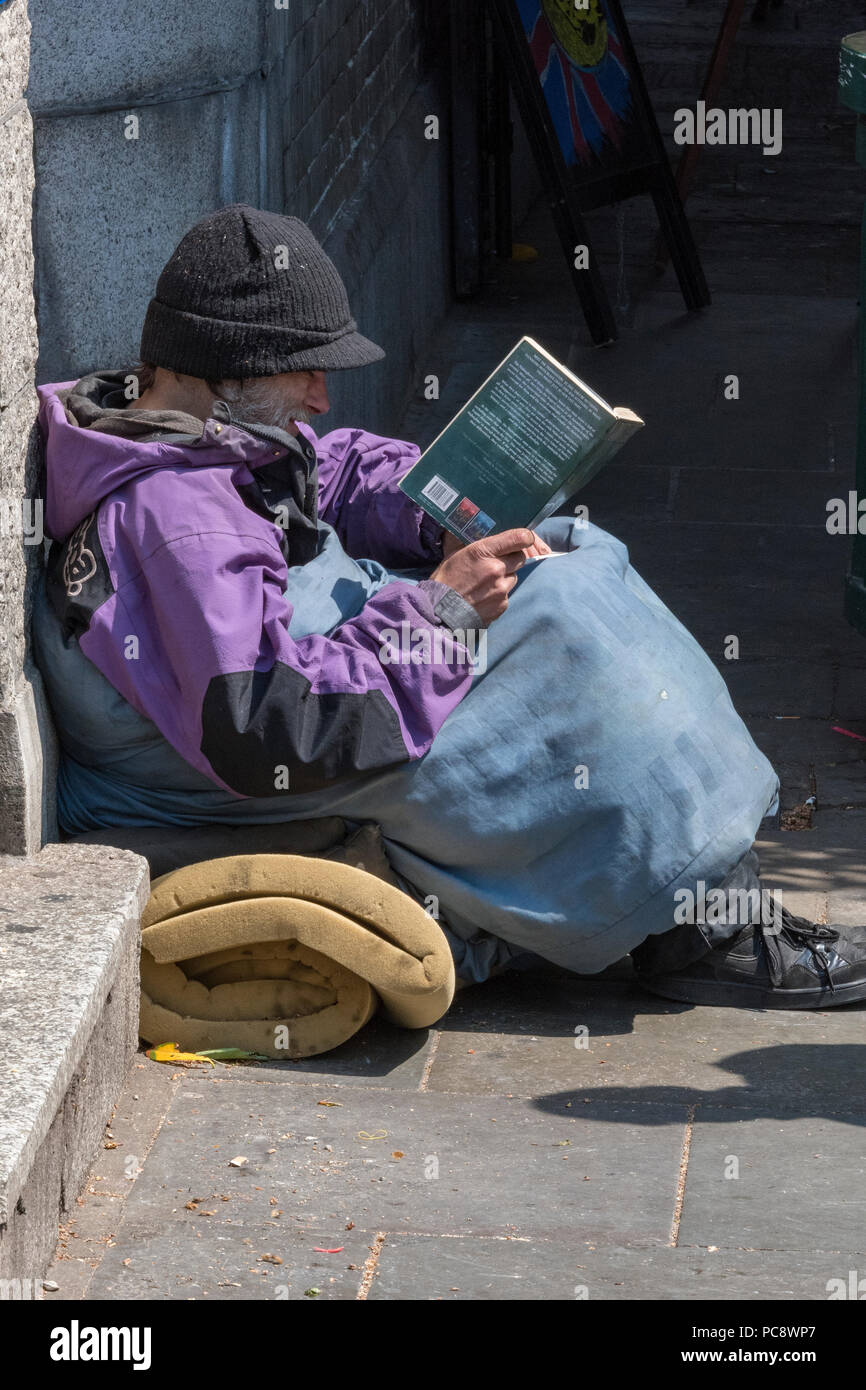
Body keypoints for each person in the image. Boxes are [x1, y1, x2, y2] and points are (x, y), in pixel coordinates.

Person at [32, 204, 866, 1008]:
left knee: (567, 550)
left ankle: (697, 893)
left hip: (302, 677)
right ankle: (699, 932)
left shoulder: (179, 422)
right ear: (226, 366)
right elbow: (265, 726)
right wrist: (443, 616)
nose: (323, 398)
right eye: (306, 372)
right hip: (247, 756)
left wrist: (441, 505)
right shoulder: (175, 527)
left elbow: (321, 469)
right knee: (561, 631)